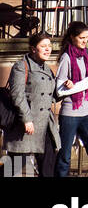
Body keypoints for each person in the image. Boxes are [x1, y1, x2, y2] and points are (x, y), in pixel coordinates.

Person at [55, 21, 88, 178]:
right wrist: (78, 84)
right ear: (72, 37)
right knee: (65, 156)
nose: (85, 41)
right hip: (70, 113)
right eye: (81, 38)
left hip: (87, 111)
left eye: (87, 37)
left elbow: (87, 82)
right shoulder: (66, 57)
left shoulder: (86, 54)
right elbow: (59, 89)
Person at [5, 30, 60, 177]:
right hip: (25, 124)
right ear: (33, 49)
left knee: (48, 167)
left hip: (45, 125)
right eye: (43, 46)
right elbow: (17, 94)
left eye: (49, 45)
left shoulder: (47, 69)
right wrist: (27, 119)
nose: (48, 49)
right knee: (13, 168)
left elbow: (51, 96)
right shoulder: (21, 66)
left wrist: (66, 87)